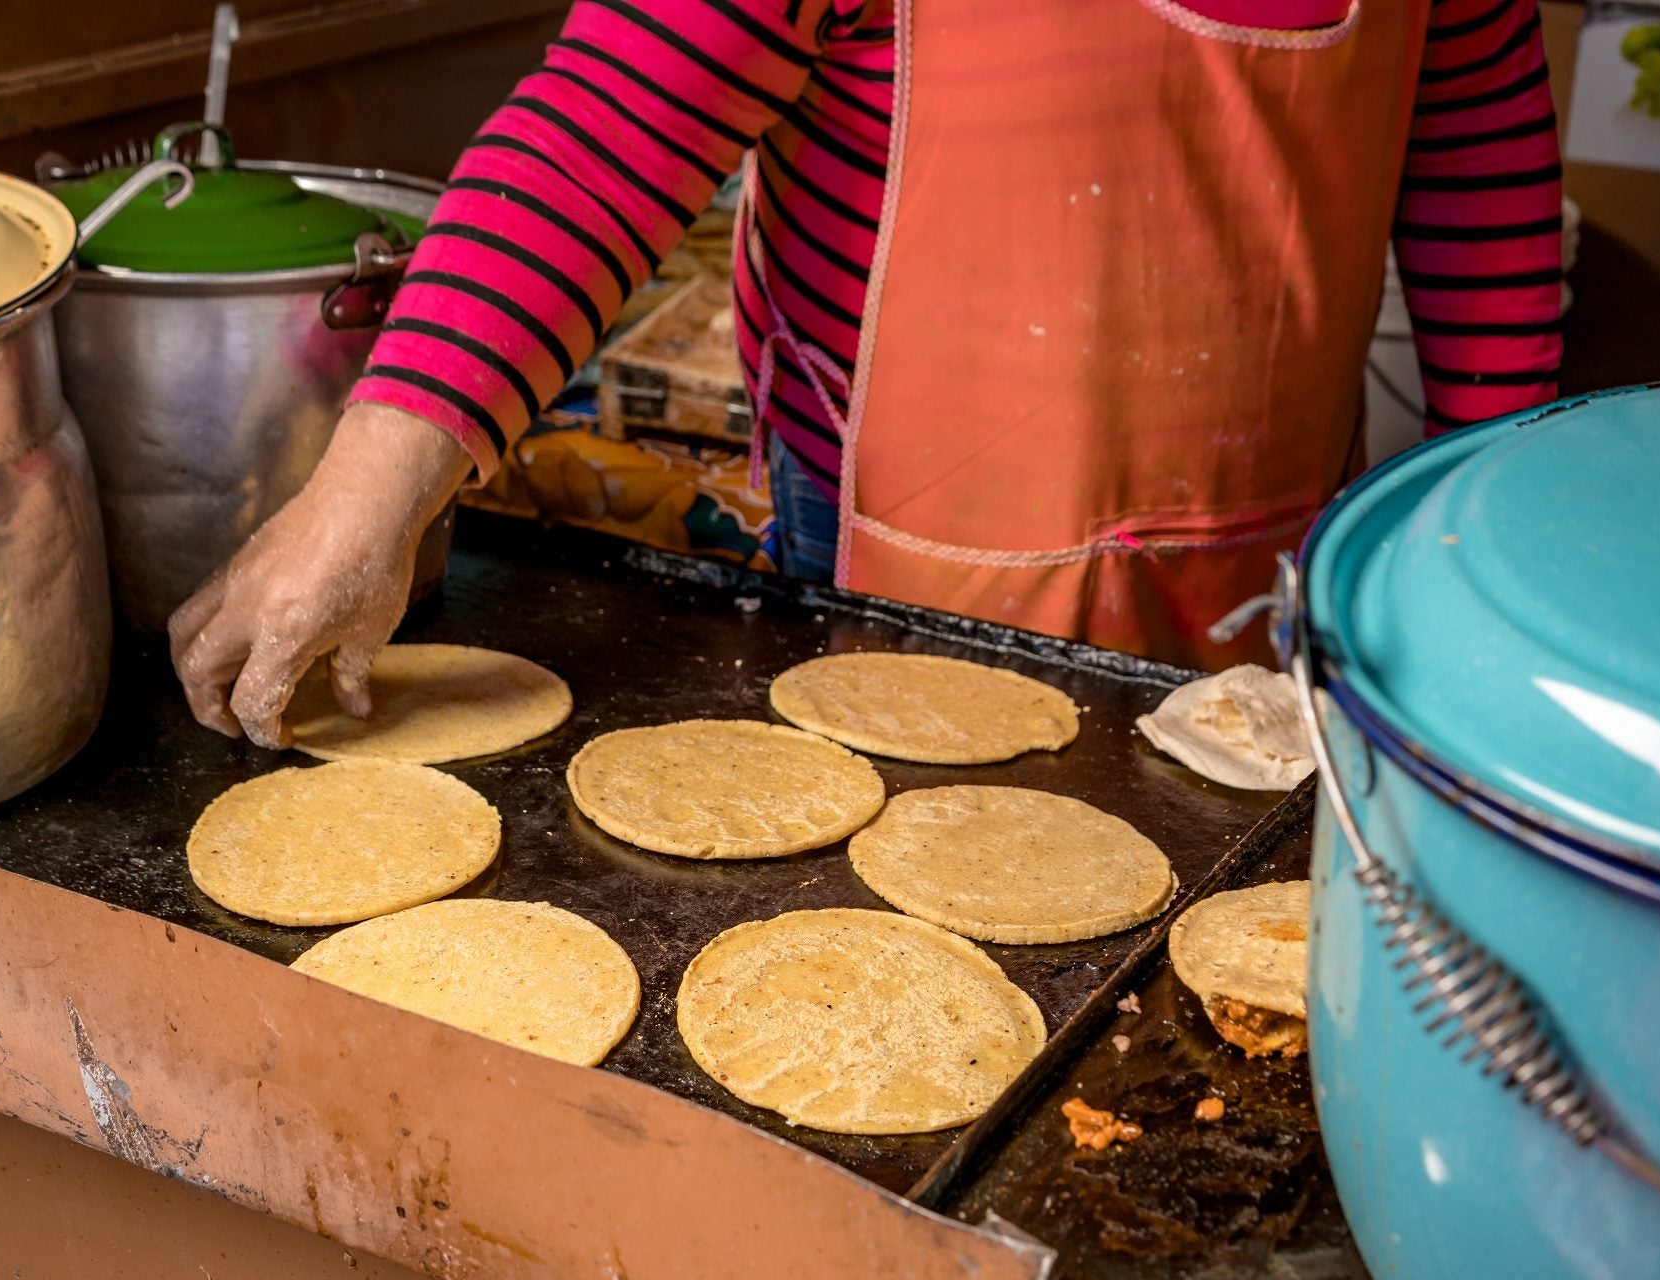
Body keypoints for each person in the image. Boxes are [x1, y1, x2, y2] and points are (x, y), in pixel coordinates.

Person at [172, 0, 1563, 748]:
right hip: (911, 530)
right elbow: (606, 133)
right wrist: (371, 479)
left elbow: (1479, 169)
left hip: (1264, 527)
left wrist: (1502, 530)